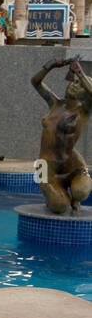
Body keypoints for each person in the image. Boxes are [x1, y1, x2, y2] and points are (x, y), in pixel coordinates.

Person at [31, 57, 91, 214]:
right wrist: (50, 65)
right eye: (74, 82)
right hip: (43, 166)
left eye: (79, 85)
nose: (74, 84)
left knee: (81, 192)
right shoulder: (54, 103)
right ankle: (54, 194)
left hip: (72, 163)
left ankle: (75, 198)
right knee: (60, 206)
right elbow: (35, 82)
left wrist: (80, 74)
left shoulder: (83, 112)